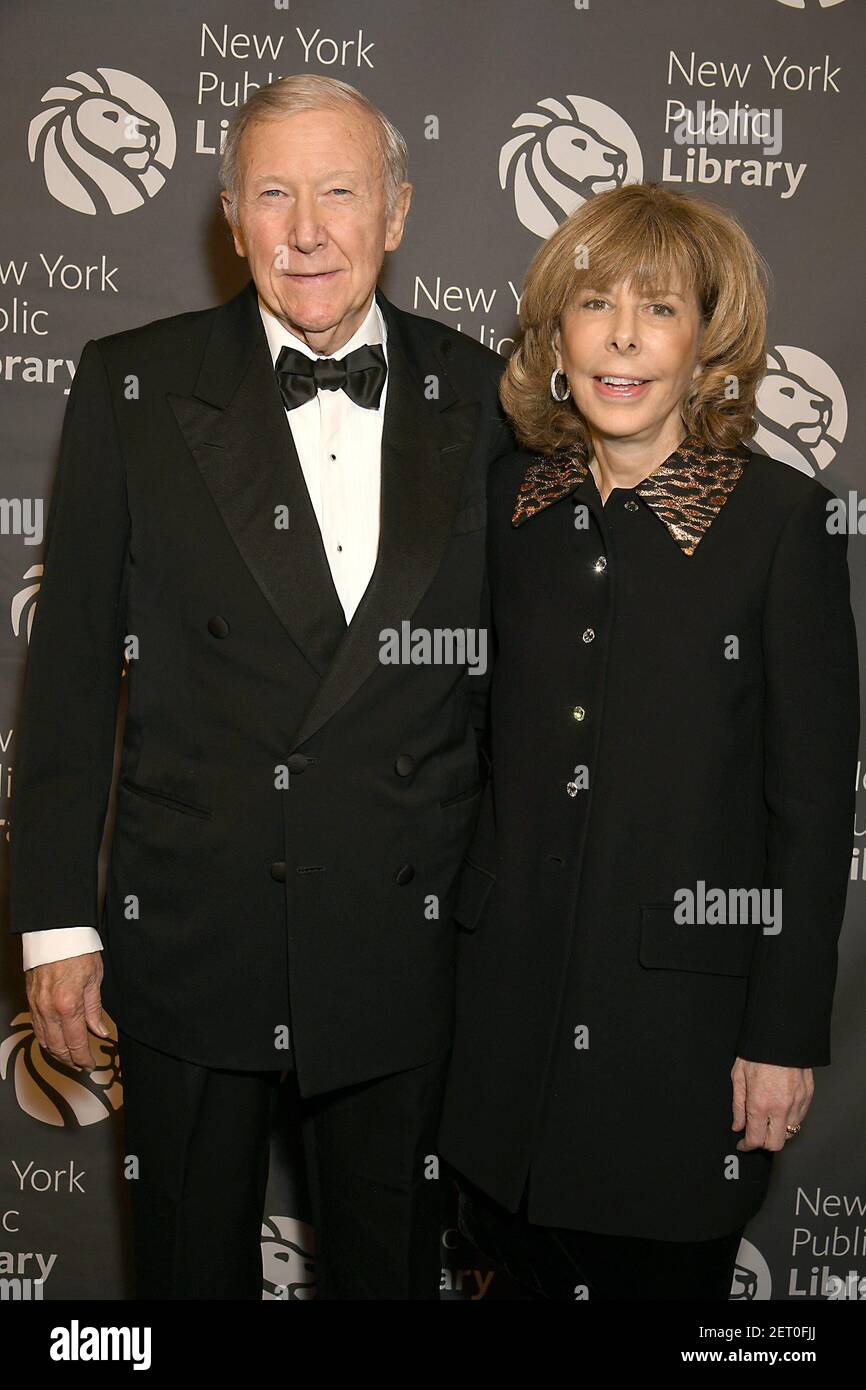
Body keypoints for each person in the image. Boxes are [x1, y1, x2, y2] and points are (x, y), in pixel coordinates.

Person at [10, 74, 511, 1300]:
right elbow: (69, 675)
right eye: (274, 194)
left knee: (391, 1273)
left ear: (395, 210)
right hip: (194, 933)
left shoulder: (487, 397)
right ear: (231, 218)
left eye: (339, 191)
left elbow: (515, 694)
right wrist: (59, 925)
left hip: (406, 939)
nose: (307, 229)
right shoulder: (130, 386)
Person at [436, 182, 859, 1300]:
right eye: (592, 304)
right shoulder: (508, 507)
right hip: (497, 1044)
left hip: (676, 1056)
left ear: (707, 342)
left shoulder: (779, 524)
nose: (621, 336)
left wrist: (782, 1033)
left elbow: (811, 811)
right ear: (555, 337)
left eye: (658, 308)